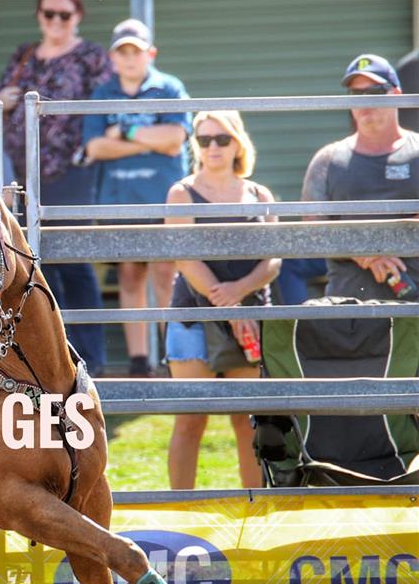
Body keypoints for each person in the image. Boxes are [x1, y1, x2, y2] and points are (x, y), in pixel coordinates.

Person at [0, 0, 111, 377]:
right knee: (35, 266)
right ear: (39, 16)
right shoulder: (24, 55)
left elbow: (107, 105)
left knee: (73, 263)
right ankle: (48, 359)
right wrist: (3, 100)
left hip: (71, 171)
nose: (56, 21)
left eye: (65, 14)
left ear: (78, 16)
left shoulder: (92, 56)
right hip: (22, 177)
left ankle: (91, 357)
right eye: (49, 14)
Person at [164, 111, 280, 490]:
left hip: (249, 315)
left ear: (238, 143)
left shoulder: (260, 195)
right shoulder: (181, 192)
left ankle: (254, 508)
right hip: (193, 317)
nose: (213, 147)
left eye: (222, 139)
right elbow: (185, 258)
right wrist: (229, 305)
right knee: (190, 419)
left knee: (248, 421)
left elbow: (273, 260)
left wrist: (240, 294)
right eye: (203, 139)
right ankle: (180, 511)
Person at [83, 19, 191, 377]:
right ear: (113, 57)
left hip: (164, 199)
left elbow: (175, 138)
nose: (129, 59)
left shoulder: (170, 88)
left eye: (136, 51)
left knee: (165, 274)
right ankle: (140, 362)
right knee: (129, 275)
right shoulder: (102, 94)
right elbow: (95, 146)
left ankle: (173, 358)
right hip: (119, 200)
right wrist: (147, 139)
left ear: (150, 54)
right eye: (122, 52)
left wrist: (126, 131)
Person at [302, 54, 419, 302]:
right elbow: (311, 233)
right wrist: (363, 253)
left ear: (397, 94)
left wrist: (383, 245)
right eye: (357, 94)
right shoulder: (327, 161)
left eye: (375, 91)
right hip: (350, 314)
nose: (365, 101)